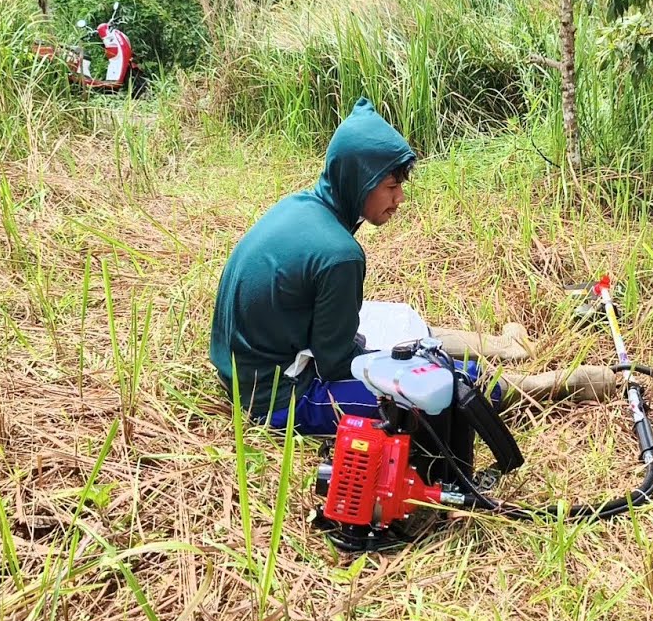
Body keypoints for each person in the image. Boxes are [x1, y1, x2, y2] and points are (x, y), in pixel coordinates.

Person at [209, 98, 500, 434]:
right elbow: (336, 365)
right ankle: (536, 386)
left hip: (244, 371)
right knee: (454, 386)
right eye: (391, 187)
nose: (400, 198)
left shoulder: (299, 206)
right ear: (359, 181)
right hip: (279, 398)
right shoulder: (340, 254)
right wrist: (387, 358)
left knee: (403, 332)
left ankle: (504, 347)